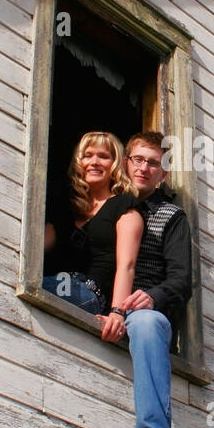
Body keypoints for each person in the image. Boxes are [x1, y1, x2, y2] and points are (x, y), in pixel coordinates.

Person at [114, 131, 193, 428]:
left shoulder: (170, 216)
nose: (145, 168)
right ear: (126, 161)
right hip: (103, 304)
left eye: (154, 163)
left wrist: (154, 296)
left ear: (163, 173)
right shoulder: (108, 204)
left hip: (143, 312)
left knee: (146, 324)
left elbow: (182, 280)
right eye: (138, 160)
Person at [41, 132, 143, 345]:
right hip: (59, 282)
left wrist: (117, 313)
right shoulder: (67, 209)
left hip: (89, 293)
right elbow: (39, 245)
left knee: (43, 286)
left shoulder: (124, 205)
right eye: (88, 155)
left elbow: (127, 264)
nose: (94, 162)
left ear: (115, 164)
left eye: (103, 156)